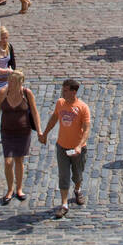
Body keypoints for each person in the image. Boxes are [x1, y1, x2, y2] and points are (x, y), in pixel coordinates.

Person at [40, 78, 91, 218]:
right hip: (62, 147)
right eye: (63, 89)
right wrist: (45, 133)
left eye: (66, 90)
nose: (63, 92)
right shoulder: (60, 103)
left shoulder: (82, 107)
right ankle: (64, 204)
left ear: (74, 92)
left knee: (77, 174)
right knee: (63, 175)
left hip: (77, 149)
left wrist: (80, 146)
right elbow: (54, 118)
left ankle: (78, 189)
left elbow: (86, 130)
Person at [0, 68, 41, 204]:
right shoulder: (2, 93)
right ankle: (9, 189)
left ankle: (19, 188)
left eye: (13, 81)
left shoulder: (27, 93)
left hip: (23, 132)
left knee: (19, 160)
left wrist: (40, 131)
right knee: (8, 162)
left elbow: (35, 113)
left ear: (20, 82)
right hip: (7, 131)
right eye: (10, 81)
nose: (10, 83)